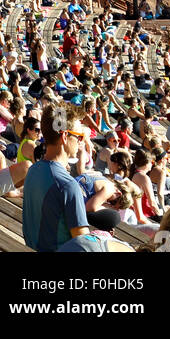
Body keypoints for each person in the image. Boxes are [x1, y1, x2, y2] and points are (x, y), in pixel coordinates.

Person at [23, 105, 132, 253]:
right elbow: (84, 244)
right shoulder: (66, 185)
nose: (81, 141)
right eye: (79, 137)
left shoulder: (33, 170)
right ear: (65, 137)